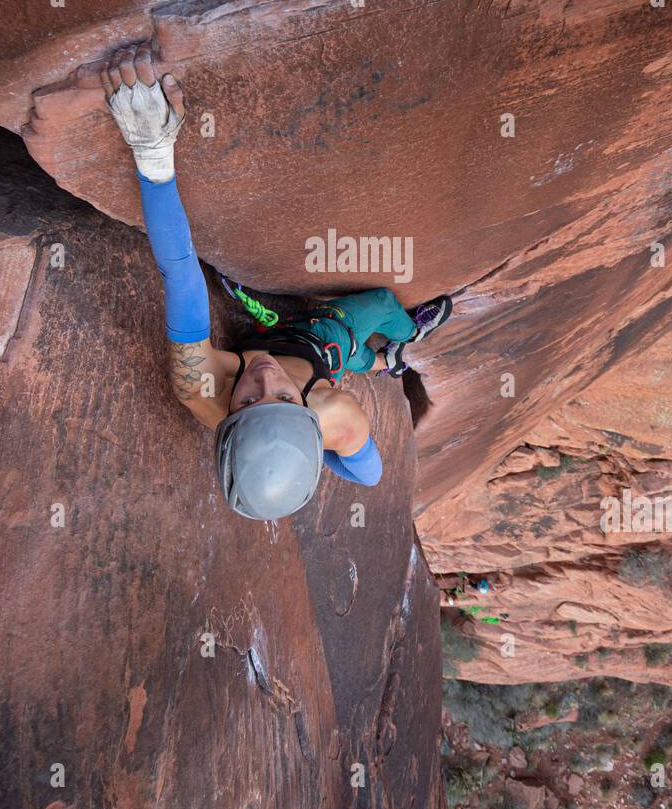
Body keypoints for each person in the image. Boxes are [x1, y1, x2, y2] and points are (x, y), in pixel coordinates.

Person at [98, 43, 453, 520]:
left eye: (248, 399)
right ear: (308, 411)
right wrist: (305, 448)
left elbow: (181, 275)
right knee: (382, 307)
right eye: (285, 397)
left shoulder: (199, 388)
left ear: (228, 413)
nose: (264, 377)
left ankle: (385, 358)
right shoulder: (337, 416)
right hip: (324, 342)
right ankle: (406, 338)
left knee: (356, 354)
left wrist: (153, 159)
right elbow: (369, 475)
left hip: (301, 345)